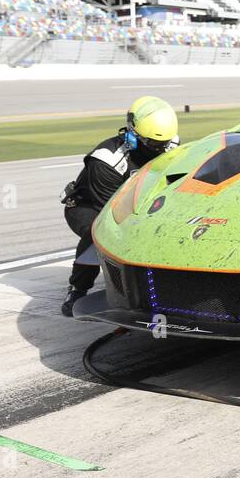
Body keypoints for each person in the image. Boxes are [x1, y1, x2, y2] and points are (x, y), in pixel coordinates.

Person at [60, 96, 180, 316]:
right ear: (132, 133)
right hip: (89, 206)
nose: (159, 149)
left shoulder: (170, 146)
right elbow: (112, 213)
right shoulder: (106, 161)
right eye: (152, 143)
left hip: (139, 202)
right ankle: (77, 289)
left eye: (162, 143)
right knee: (98, 233)